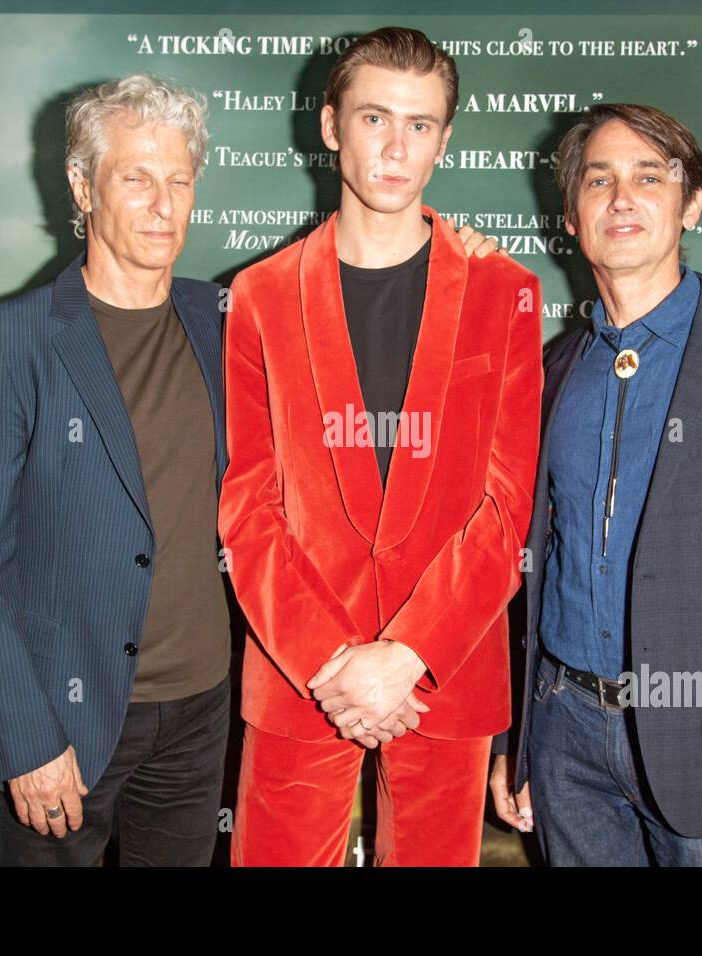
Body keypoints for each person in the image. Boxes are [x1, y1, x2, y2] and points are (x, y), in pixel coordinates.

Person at [218, 27, 542, 866]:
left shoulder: (506, 291)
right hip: (303, 675)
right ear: (331, 127)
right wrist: (333, 662)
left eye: (421, 125)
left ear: (444, 139)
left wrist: (408, 654)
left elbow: (508, 510)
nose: (396, 148)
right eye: (374, 119)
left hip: (446, 669)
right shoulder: (258, 297)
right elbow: (248, 508)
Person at [489, 103, 702, 867]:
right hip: (564, 744)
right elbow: (527, 572)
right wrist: (515, 743)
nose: (623, 197)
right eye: (600, 180)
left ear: (692, 204)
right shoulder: (551, 370)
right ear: (573, 218)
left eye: (651, 177)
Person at [0, 74, 232, 865]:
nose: (163, 205)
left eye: (178, 180)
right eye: (135, 177)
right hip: (61, 716)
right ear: (82, 185)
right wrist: (24, 738)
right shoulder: (7, 341)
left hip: (200, 710)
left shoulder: (223, 319)